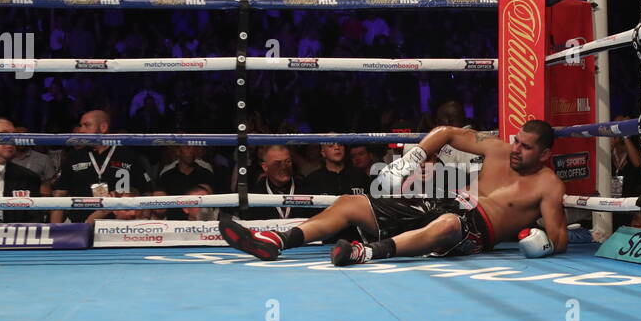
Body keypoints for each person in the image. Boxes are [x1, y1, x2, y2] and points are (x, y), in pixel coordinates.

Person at [219, 119, 568, 265]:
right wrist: (411, 160)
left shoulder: (548, 185)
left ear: (545, 154)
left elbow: (559, 238)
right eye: (516, 141)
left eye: (525, 147)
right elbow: (445, 132)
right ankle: (278, 240)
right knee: (351, 203)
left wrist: (542, 242)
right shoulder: (496, 150)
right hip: (446, 201)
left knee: (447, 224)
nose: (515, 149)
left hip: (475, 229)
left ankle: (365, 253)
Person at [50, 109, 153, 223]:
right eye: (81, 126)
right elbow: (59, 195)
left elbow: (146, 191)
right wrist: (55, 232)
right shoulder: (74, 156)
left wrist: (144, 222)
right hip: (79, 226)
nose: (81, 130)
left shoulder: (127, 155)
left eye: (87, 125)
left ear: (103, 128)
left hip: (119, 227)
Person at [240, 145, 311, 221]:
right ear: (265, 167)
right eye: (277, 163)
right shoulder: (255, 194)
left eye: (287, 161)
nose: (283, 167)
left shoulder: (306, 188)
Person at [302, 142, 371, 197]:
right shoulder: (313, 179)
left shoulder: (360, 176)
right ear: (323, 152)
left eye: (340, 144)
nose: (337, 147)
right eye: (331, 145)